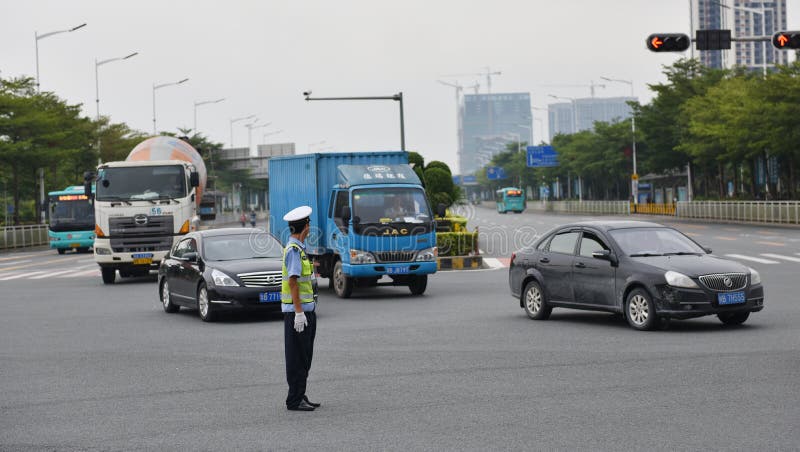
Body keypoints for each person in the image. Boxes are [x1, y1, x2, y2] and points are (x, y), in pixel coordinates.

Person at [281, 205, 319, 412]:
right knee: (297, 357)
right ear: (305, 226)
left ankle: (300, 393)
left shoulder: (299, 249)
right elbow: (293, 282)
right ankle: (294, 399)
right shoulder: (294, 251)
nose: (310, 226)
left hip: (305, 312)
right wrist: (298, 313)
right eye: (309, 223)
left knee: (304, 355)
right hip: (299, 314)